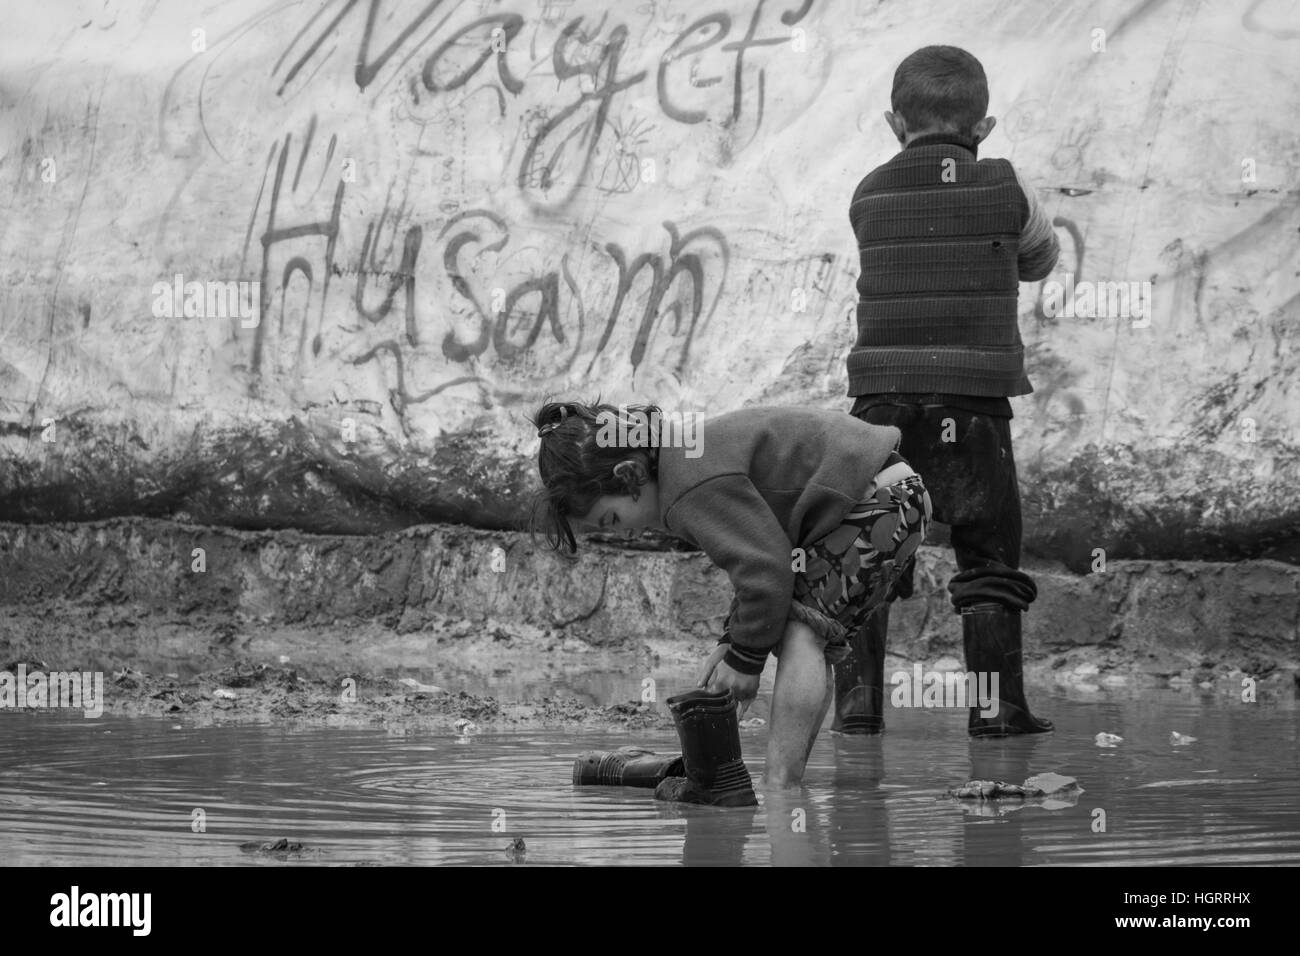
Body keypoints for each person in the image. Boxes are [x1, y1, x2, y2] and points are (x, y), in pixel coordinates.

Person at [535, 400, 930, 802]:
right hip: (892, 495)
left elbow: (765, 569)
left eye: (613, 521)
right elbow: (760, 558)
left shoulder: (686, 483)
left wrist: (745, 659)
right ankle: (788, 785)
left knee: (801, 635)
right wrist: (732, 639)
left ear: (631, 474)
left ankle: (780, 791)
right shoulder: (684, 456)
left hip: (874, 503)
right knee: (812, 638)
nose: (624, 535)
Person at [837, 45, 1059, 738]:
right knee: (989, 557)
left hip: (880, 409)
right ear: (983, 127)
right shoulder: (1006, 185)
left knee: (869, 557)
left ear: (891, 124)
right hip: (974, 406)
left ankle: (858, 710)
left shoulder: (868, 193)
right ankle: (997, 712)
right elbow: (1040, 259)